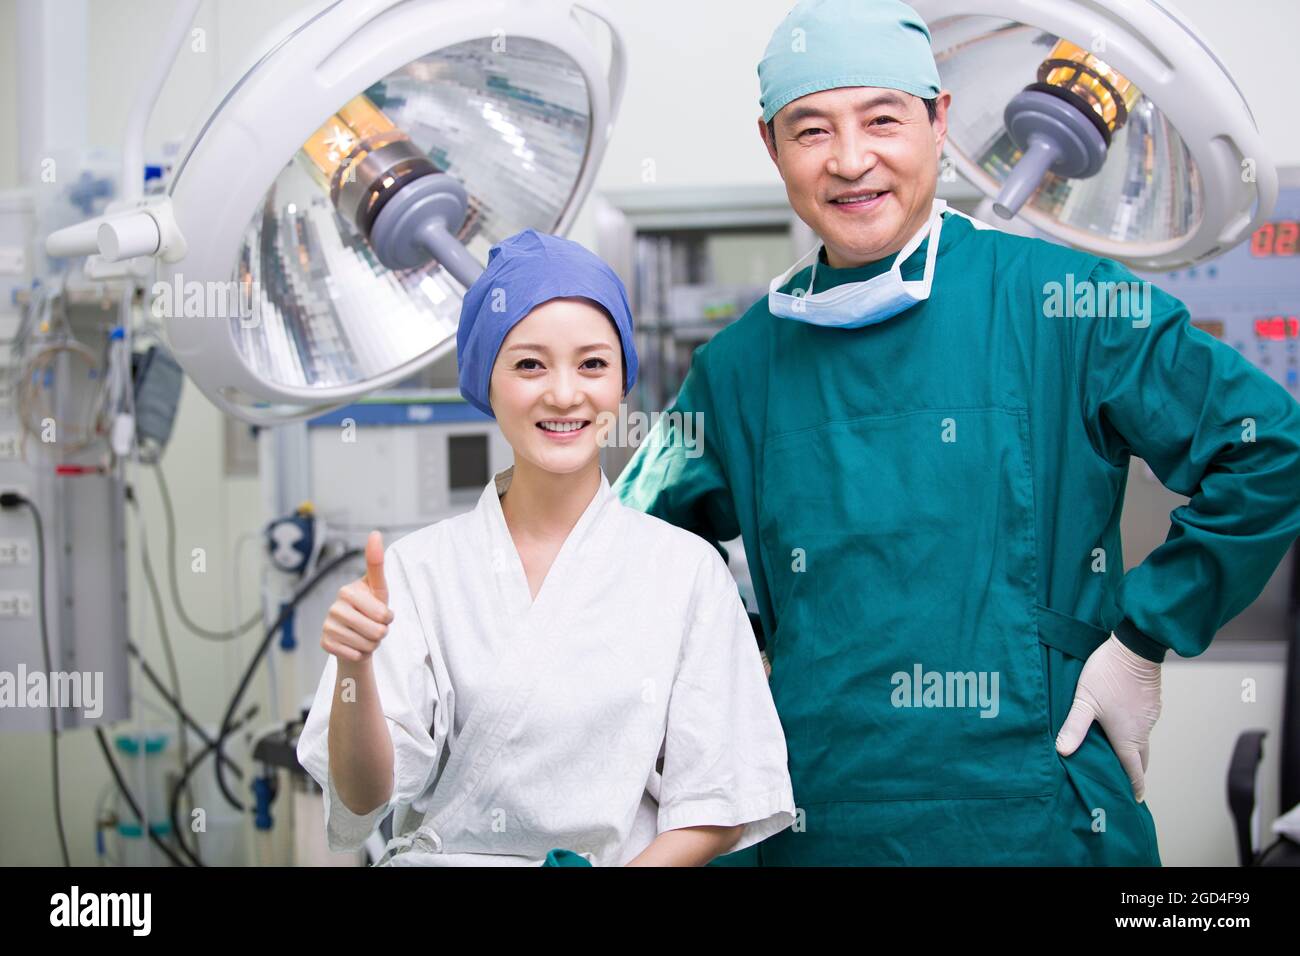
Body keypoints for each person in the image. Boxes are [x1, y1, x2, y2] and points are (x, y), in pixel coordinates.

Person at [612, 0, 1300, 865]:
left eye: (883, 119)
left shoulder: (1063, 303)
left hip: (1036, 820)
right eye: (812, 128)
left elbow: (1270, 445)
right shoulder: (743, 366)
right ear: (772, 146)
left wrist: (1143, 638)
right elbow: (627, 546)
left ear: (939, 122)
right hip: (821, 819)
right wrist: (730, 664)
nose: (851, 159)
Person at [295, 229, 795, 866]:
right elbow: (364, 798)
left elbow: (717, 805)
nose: (564, 394)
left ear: (621, 384)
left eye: (592, 364)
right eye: (530, 364)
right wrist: (355, 671)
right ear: (486, 381)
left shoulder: (686, 572)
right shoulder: (417, 573)